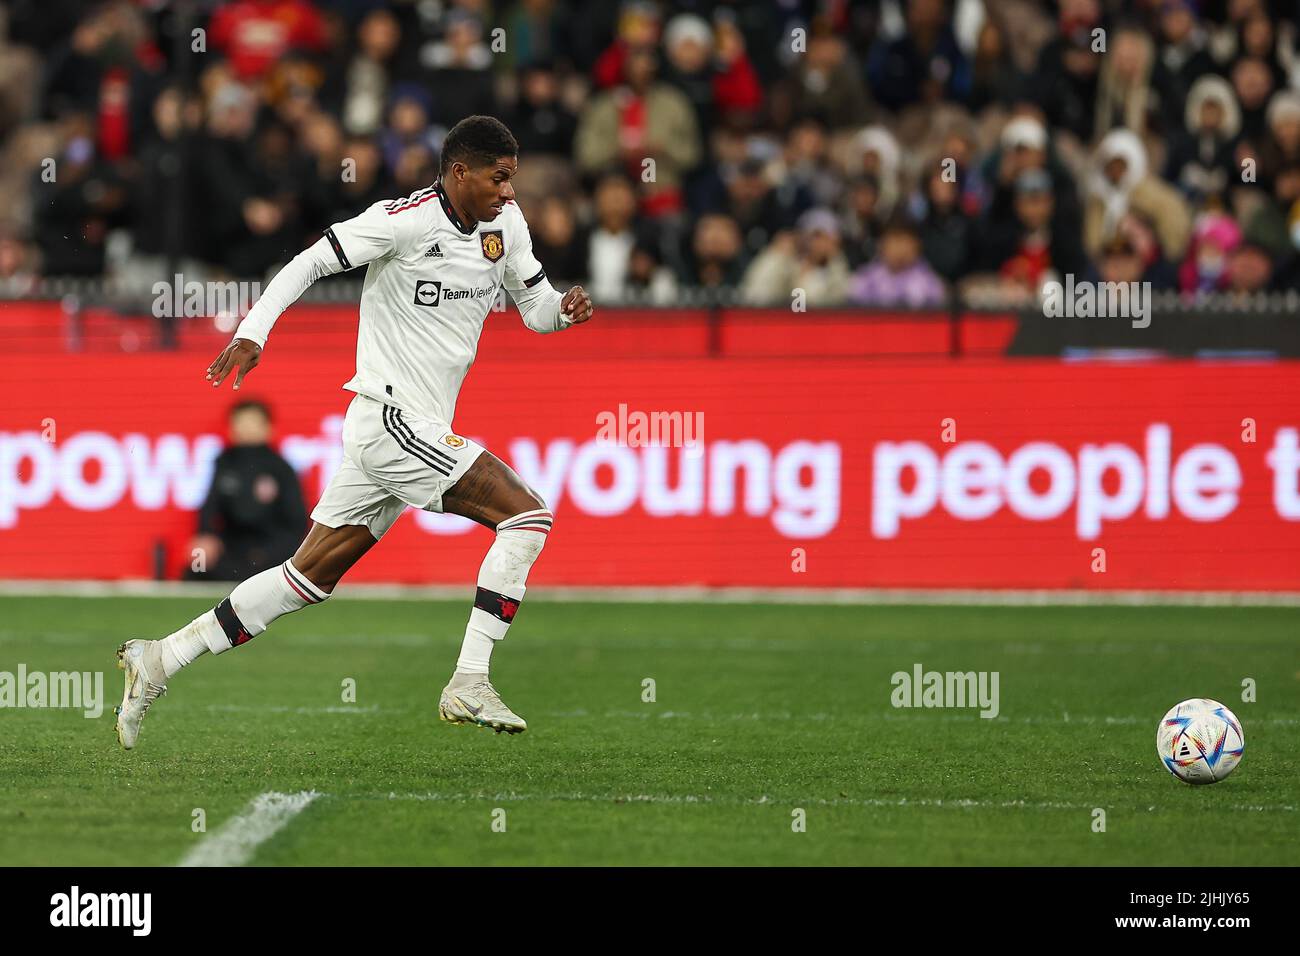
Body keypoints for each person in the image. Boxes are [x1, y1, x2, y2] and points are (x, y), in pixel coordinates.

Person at [114, 116, 594, 747]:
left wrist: (562, 311)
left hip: (405, 430)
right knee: (527, 516)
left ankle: (160, 658)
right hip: (391, 419)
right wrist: (254, 329)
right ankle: (469, 679)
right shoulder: (402, 221)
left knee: (304, 579)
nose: (509, 192)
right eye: (498, 178)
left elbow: (533, 308)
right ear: (459, 173)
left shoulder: (506, 226)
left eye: (513, 178)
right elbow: (309, 262)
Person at [186, 400, 307, 582]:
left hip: (268, 551)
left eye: (253, 422)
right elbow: (210, 507)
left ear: (268, 428)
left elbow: (296, 520)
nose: (246, 428)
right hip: (231, 548)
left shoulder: (281, 468)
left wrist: (268, 552)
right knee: (198, 563)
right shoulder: (224, 462)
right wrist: (205, 536)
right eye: (241, 422)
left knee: (266, 571)